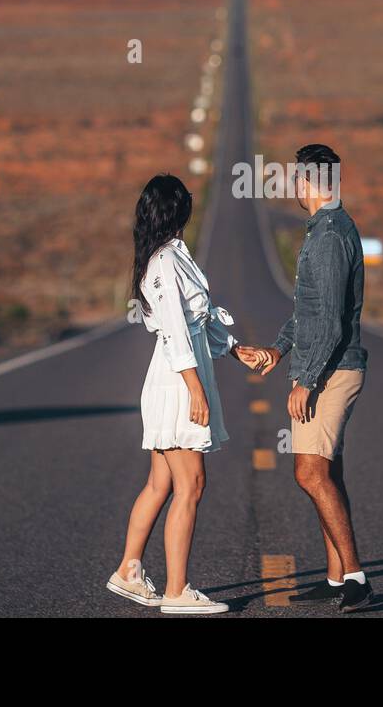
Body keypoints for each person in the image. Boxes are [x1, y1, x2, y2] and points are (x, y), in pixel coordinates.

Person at [107, 173, 254, 614]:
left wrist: (234, 350)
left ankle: (129, 572)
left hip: (177, 375)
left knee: (160, 483)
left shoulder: (169, 256)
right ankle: (176, 592)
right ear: (178, 209)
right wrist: (196, 390)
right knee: (191, 484)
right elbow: (174, 331)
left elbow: (197, 324)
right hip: (177, 380)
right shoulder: (166, 262)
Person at [239, 144, 374, 612]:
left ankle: (356, 576)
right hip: (326, 366)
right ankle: (336, 576)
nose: (293, 185)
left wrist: (307, 380)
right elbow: (309, 314)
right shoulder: (321, 230)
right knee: (327, 471)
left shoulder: (332, 235)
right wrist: (278, 351)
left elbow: (334, 322)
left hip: (333, 371)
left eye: (297, 177)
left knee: (309, 473)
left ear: (310, 183)